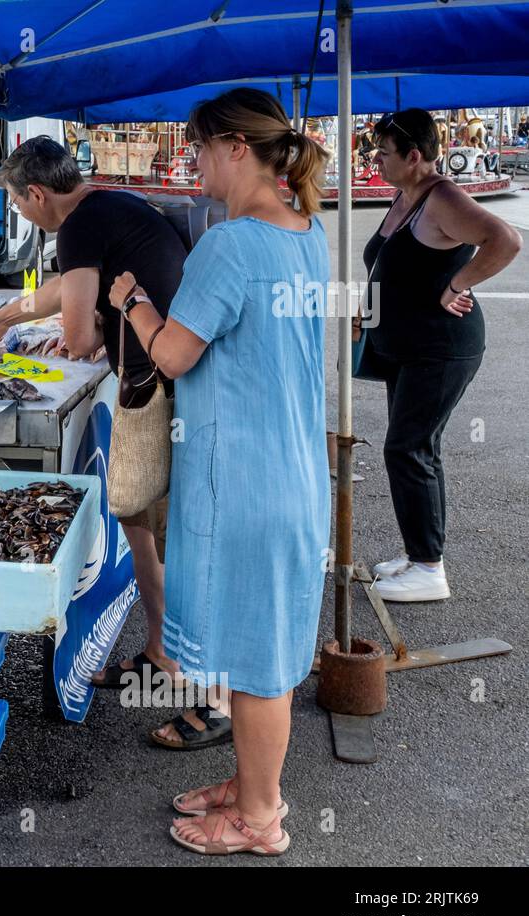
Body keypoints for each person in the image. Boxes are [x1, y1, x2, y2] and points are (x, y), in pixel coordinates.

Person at [109, 87, 331, 855]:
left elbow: (171, 354)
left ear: (236, 147)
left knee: (261, 666)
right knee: (256, 649)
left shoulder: (230, 247)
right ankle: (248, 783)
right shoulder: (307, 233)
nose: (191, 160)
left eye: (199, 146)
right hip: (293, 474)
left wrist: (133, 299)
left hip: (248, 484)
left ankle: (260, 818)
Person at [0, 138, 226, 749]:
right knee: (141, 523)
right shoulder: (110, 206)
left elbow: (80, 335)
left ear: (37, 193)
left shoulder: (78, 226)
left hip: (159, 389)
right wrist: (5, 316)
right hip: (169, 384)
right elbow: (69, 292)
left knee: (173, 535)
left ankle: (211, 692)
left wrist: (60, 333)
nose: (21, 216)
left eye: (17, 203)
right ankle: (163, 656)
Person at [359, 109, 521, 601]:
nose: (376, 160)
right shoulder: (405, 196)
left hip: (442, 349)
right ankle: (417, 555)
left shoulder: (444, 197)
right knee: (416, 449)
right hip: (406, 347)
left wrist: (458, 282)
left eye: (384, 153)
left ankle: (430, 569)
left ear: (414, 156)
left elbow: (506, 240)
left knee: (407, 448)